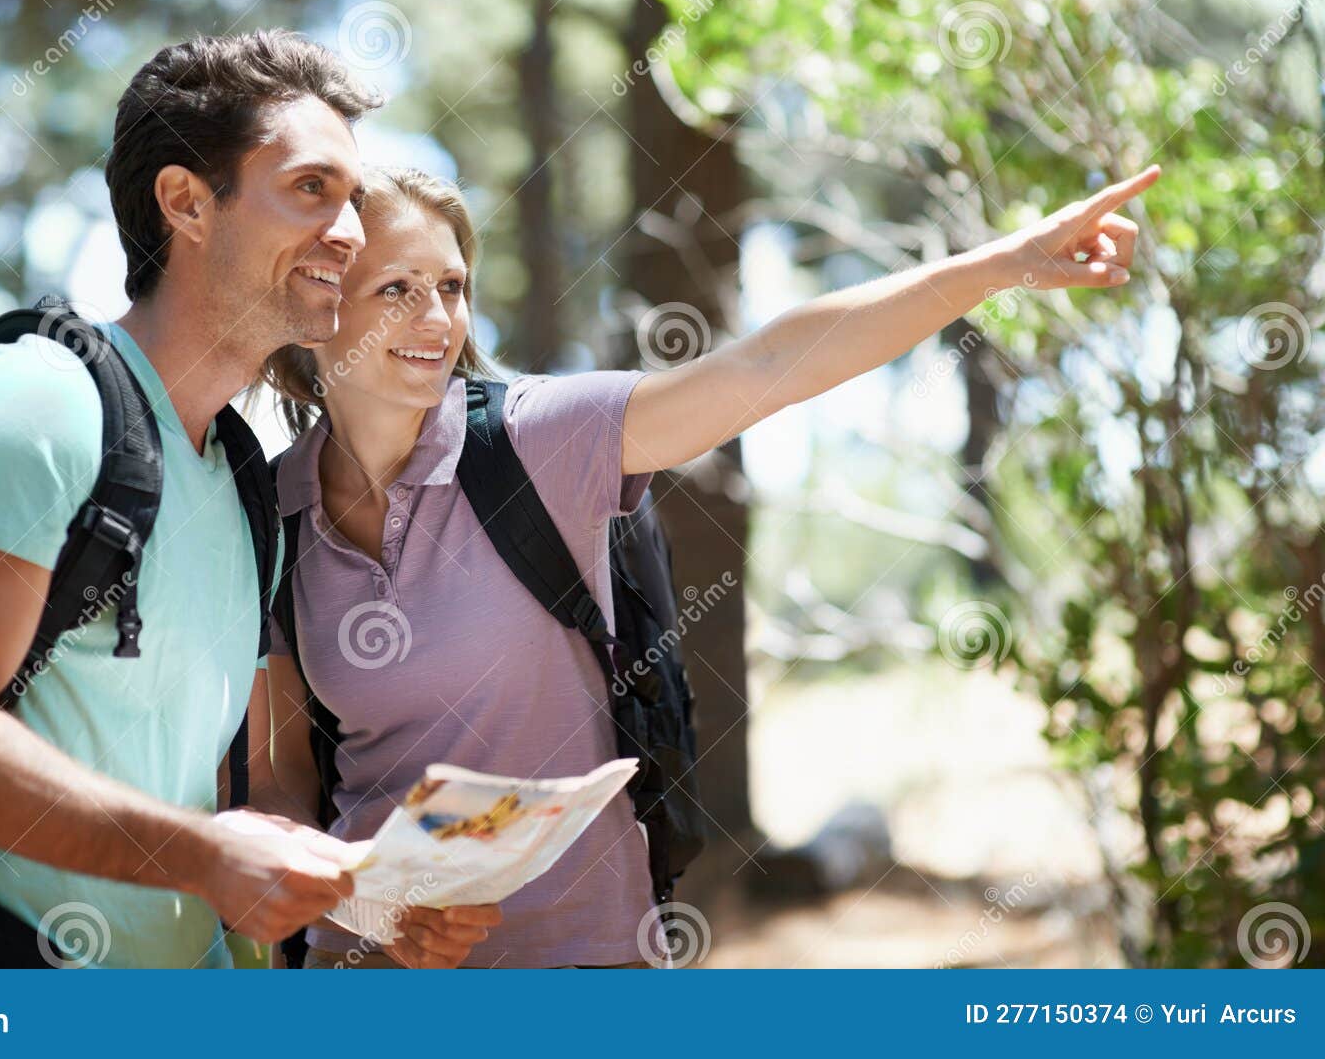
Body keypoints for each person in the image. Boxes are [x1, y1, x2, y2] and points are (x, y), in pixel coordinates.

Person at [256, 163, 1159, 968]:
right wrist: (371, 908)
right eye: (397, 291)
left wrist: (1000, 266)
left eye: (452, 286)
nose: (438, 320)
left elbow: (771, 363)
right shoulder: (272, 511)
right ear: (323, 305)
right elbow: (284, 783)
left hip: (588, 962)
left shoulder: (539, 439)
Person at [0, 31, 492, 968]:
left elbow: (220, 790)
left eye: (353, 199)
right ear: (185, 202)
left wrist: (355, 893)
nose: (351, 231)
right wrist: (201, 856)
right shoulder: (35, 406)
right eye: (311, 189)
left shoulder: (245, 481)